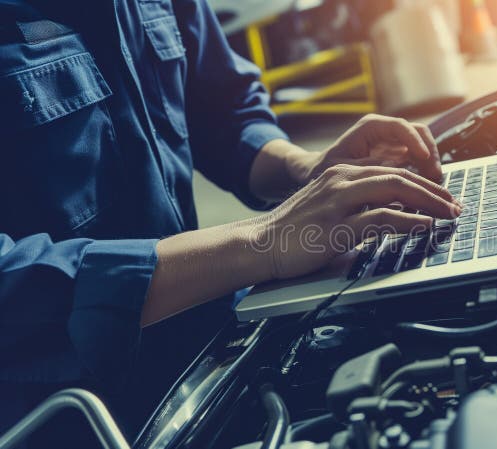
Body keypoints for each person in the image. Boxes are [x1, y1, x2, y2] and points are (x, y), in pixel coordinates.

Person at [0, 0, 460, 442]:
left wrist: (307, 169)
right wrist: (265, 242)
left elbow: (225, 115)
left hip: (208, 342)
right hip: (75, 412)